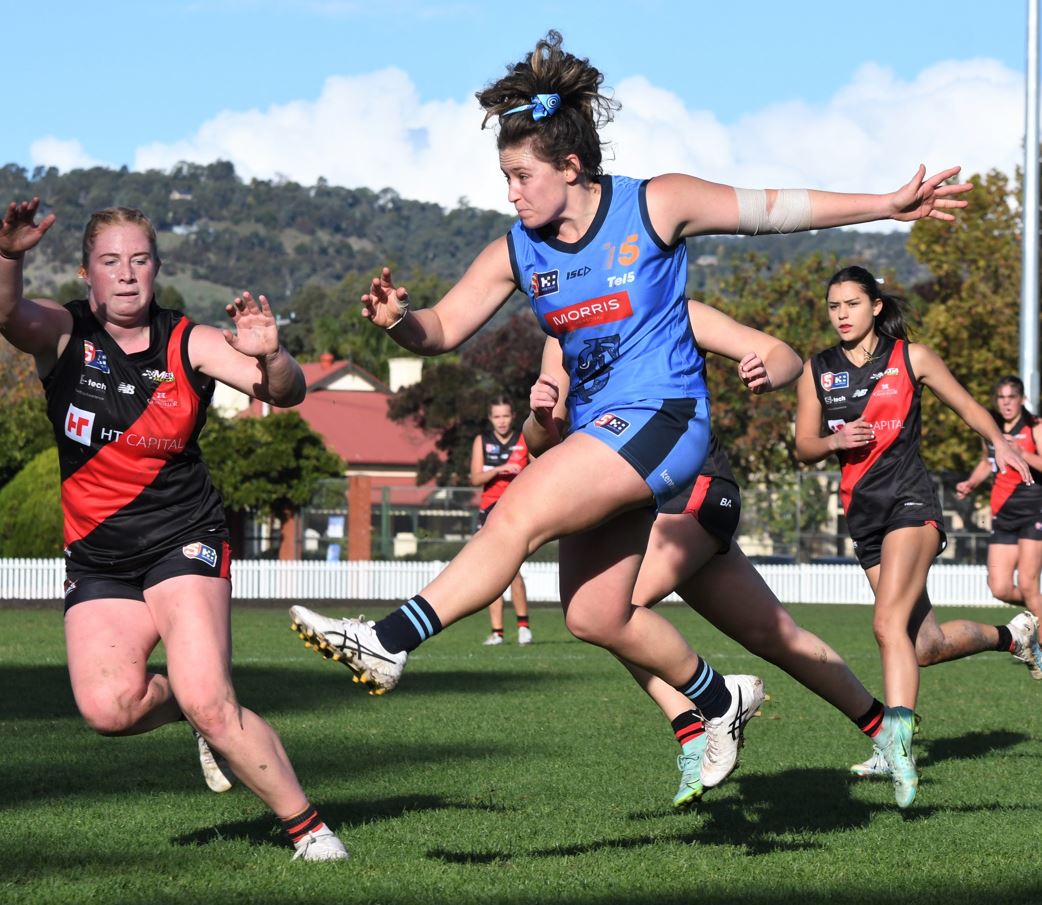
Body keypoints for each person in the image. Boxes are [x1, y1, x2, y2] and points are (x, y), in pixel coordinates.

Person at [288, 31, 972, 791]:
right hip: (606, 436)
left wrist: (886, 204)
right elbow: (443, 328)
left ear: (571, 167)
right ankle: (721, 698)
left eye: (521, 175)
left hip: (669, 419)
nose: (511, 193)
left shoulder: (654, 203)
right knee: (592, 614)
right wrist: (396, 323)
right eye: (504, 177)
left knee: (517, 509)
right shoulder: (520, 249)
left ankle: (388, 638)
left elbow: (773, 208)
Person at [0, 198, 347, 862]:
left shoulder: (188, 339)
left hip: (182, 537)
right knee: (110, 707)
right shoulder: (64, 333)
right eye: (110, 262)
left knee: (212, 700)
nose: (126, 275)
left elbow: (286, 389)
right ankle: (190, 714)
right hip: (99, 555)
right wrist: (9, 254)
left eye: (138, 260)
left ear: (156, 269)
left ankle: (309, 829)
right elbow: (7, 312)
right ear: (85, 273)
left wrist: (270, 358)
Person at [524, 301, 891, 808]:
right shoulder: (559, 335)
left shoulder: (667, 306)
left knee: (607, 611)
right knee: (775, 635)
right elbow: (543, 442)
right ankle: (886, 729)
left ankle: (696, 729)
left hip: (692, 489)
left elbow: (781, 354)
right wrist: (541, 416)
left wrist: (766, 370)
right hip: (632, 504)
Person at [794, 264, 1041, 808]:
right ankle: (1014, 637)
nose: (841, 315)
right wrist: (835, 442)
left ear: (875, 307)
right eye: (833, 306)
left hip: (912, 506)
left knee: (886, 624)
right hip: (863, 517)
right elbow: (803, 446)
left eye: (851, 304)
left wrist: (999, 442)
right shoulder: (818, 369)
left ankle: (897, 749)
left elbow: (967, 404)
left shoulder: (912, 357)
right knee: (922, 644)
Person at [956, 376, 1042, 648]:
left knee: (1028, 583)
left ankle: (1038, 648)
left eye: (1011, 397)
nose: (1006, 403)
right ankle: (1037, 607)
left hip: (1033, 509)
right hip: (1003, 512)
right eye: (1001, 398)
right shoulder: (991, 429)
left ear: (1022, 399)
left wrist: (1022, 454)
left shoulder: (1035, 427)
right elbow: (988, 461)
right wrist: (971, 482)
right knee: (1000, 587)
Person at [470, 395, 532, 645]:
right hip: (489, 510)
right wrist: (498, 470)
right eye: (497, 416)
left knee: (513, 570)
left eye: (506, 415)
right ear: (490, 419)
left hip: (515, 509)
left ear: (513, 416)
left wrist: (523, 473)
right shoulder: (482, 441)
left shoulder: (524, 439)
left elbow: (539, 470)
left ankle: (523, 625)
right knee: (492, 572)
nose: (502, 421)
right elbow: (475, 479)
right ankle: (497, 632)